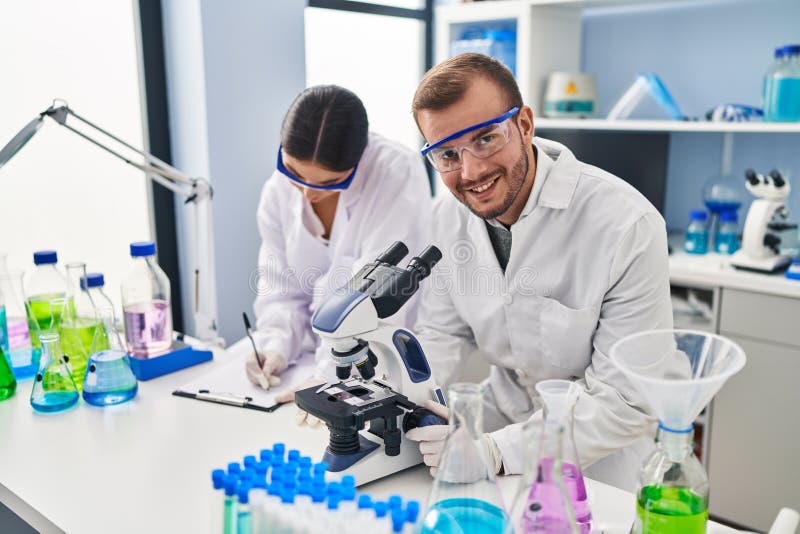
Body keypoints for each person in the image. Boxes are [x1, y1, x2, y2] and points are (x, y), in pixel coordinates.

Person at [405, 54, 672, 491]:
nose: (470, 171)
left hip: (599, 464)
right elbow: (442, 334)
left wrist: (497, 452)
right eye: (447, 154)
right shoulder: (447, 219)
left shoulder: (627, 224)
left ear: (525, 125)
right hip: (497, 426)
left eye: (486, 139)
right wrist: (390, 400)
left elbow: (625, 402)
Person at [246, 85, 433, 404]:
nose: (306, 194)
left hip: (381, 367)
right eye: (294, 173)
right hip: (303, 367)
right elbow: (282, 291)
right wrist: (275, 346)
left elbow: (374, 304)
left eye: (330, 183)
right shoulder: (277, 191)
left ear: (358, 161)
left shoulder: (395, 173)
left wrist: (330, 377)